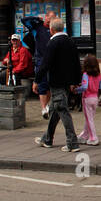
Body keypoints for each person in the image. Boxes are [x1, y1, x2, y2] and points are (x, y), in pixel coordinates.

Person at [35, 18, 81, 152]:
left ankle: (72, 142)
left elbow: (45, 64)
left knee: (62, 109)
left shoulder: (53, 43)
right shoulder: (70, 41)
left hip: (57, 82)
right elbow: (76, 63)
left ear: (51, 30)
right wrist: (76, 81)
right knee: (55, 109)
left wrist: (37, 80)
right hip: (67, 82)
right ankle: (47, 139)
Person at [24, 12, 55, 117]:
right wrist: (36, 18)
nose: (50, 21)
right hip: (40, 60)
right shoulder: (37, 27)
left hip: (51, 60)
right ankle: (43, 108)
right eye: (49, 18)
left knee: (50, 85)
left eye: (52, 19)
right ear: (45, 17)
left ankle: (47, 106)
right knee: (41, 84)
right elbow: (24, 20)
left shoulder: (53, 29)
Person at [75, 53, 101, 147]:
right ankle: (84, 136)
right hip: (95, 98)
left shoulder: (85, 74)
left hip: (87, 98)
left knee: (89, 119)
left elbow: (84, 87)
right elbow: (100, 87)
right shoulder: (98, 75)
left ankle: (93, 138)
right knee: (89, 118)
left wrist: (76, 90)